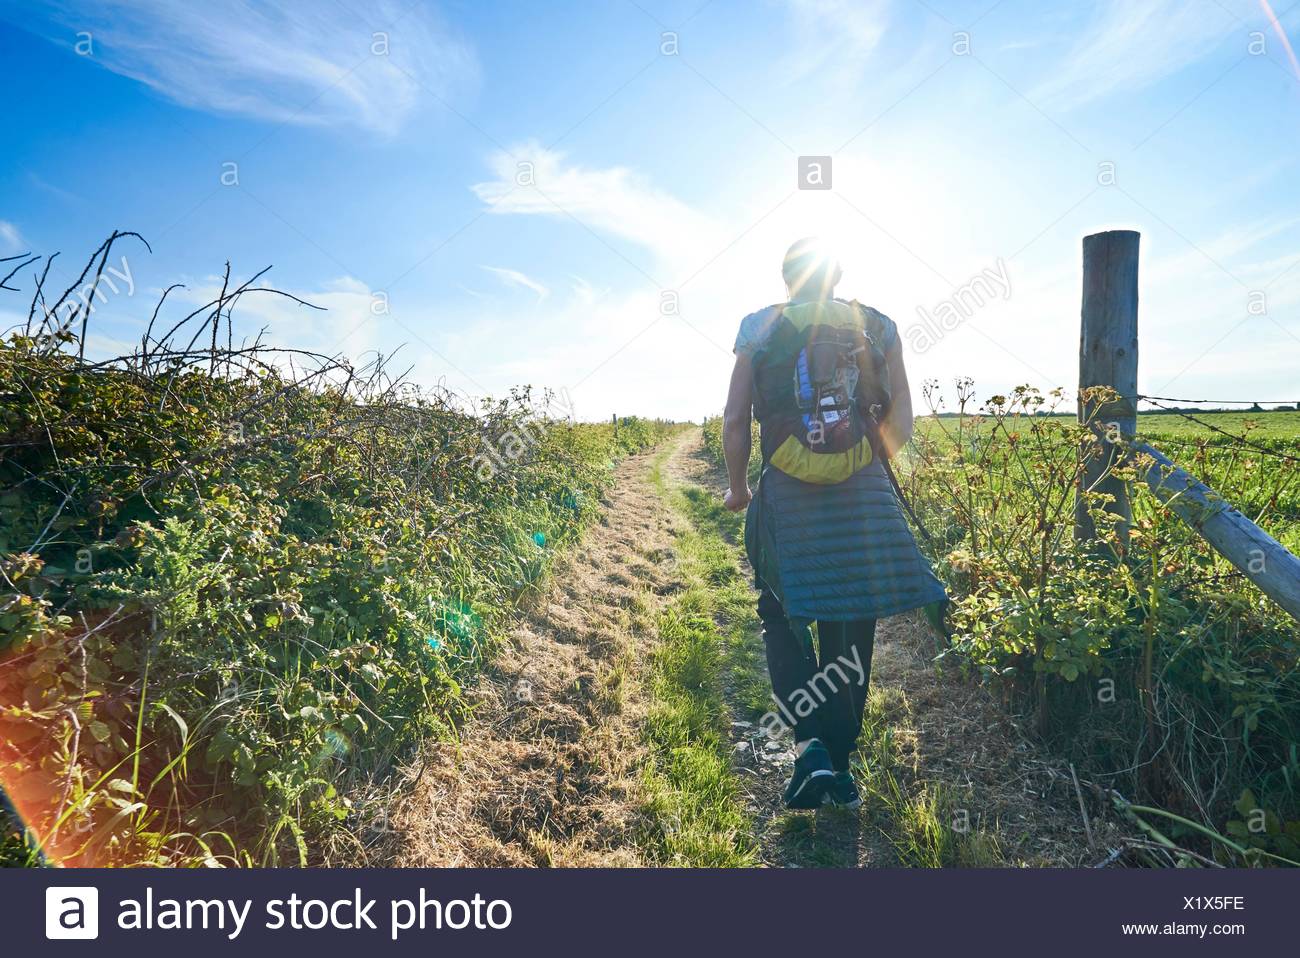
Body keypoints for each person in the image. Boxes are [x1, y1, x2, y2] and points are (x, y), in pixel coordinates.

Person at [721, 237, 946, 809]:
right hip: (862, 496)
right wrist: (865, 467)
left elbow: (735, 418)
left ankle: (813, 751)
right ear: (836, 275)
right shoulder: (877, 325)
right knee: (851, 623)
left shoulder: (759, 326)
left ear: (786, 278)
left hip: (787, 493)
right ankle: (840, 767)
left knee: (782, 612)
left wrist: (740, 487)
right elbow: (903, 417)